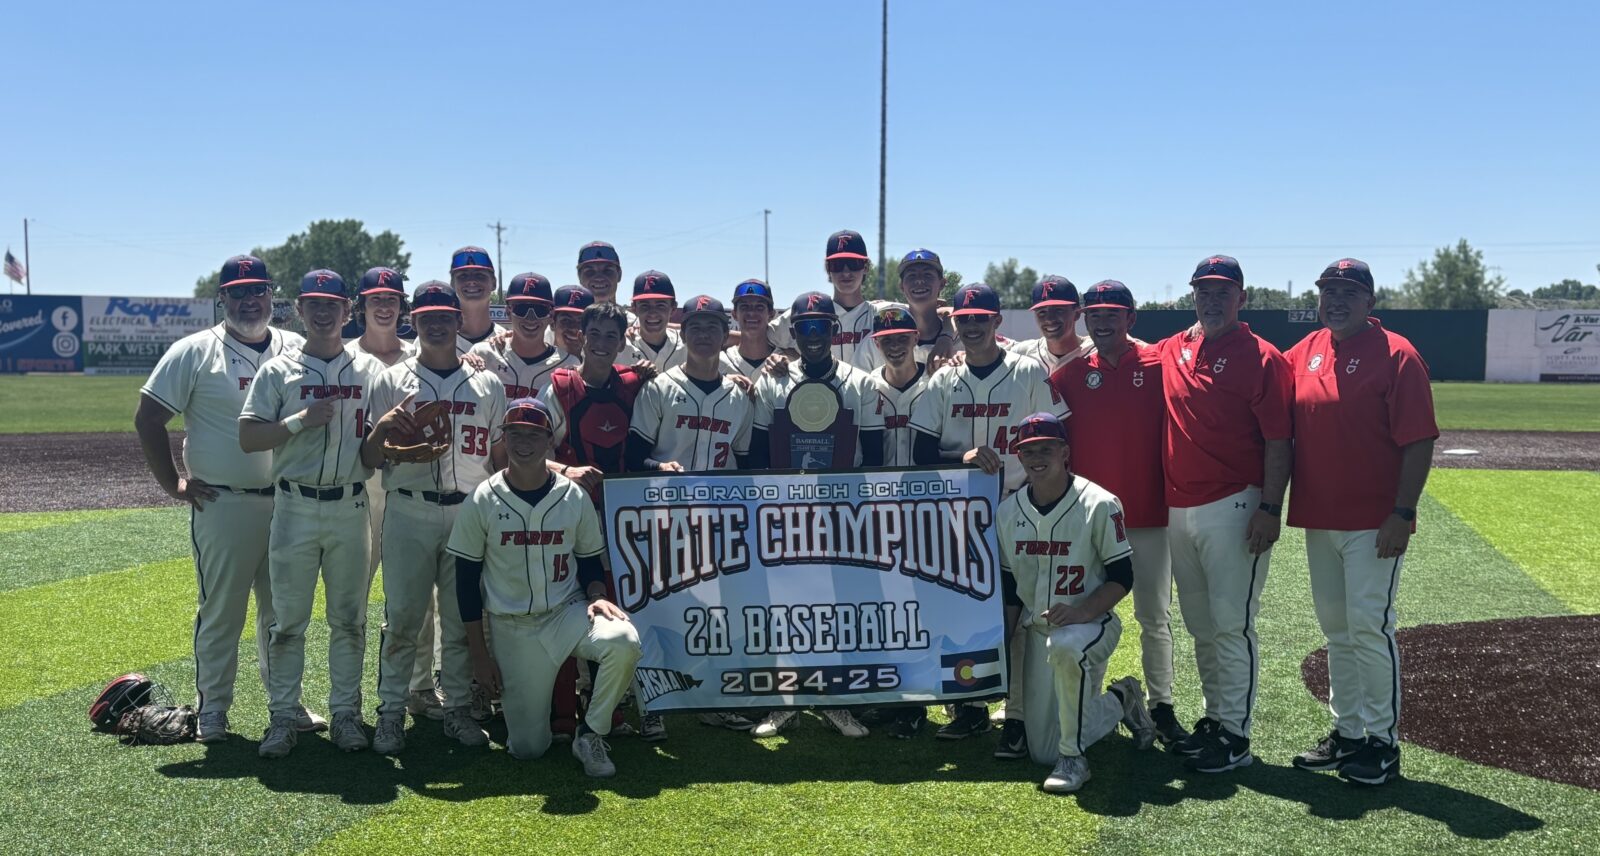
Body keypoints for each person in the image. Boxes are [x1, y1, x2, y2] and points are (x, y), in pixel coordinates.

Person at [135, 254, 322, 744]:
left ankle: (287, 704)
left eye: (257, 289)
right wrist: (173, 484)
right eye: (238, 292)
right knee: (222, 610)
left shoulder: (296, 346)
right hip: (225, 501)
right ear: (223, 298)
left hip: (288, 501)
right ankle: (213, 709)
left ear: (270, 293)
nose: (249, 299)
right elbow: (148, 418)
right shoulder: (194, 350)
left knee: (282, 612)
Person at [1285, 258, 1438, 786]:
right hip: (1318, 518)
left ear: (1370, 302)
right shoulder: (1305, 351)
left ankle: (1382, 742)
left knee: (1370, 628)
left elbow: (1419, 440)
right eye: (1329, 291)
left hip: (1375, 521)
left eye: (1349, 292)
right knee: (1337, 632)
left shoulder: (1398, 355)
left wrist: (1403, 512)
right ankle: (1348, 732)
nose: (1337, 300)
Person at [447, 398, 642, 776]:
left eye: (533, 435)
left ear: (548, 441)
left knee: (624, 640)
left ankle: (591, 733)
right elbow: (466, 581)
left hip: (566, 614)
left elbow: (589, 560)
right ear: (502, 439)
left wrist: (598, 596)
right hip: (512, 627)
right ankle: (544, 726)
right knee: (528, 749)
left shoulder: (573, 496)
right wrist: (479, 654)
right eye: (515, 434)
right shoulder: (483, 499)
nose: (523, 443)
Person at [909, 281, 1067, 745]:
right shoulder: (943, 380)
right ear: (954, 325)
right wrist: (959, 459)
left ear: (998, 322)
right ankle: (970, 707)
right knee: (964, 610)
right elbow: (920, 453)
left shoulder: (1028, 372)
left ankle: (1016, 714)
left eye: (982, 318)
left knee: (1020, 613)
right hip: (958, 515)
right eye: (965, 319)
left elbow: (1058, 442)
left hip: (1020, 505)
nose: (973, 326)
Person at [240, 270, 385, 757]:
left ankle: (346, 714)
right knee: (287, 620)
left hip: (350, 504)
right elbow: (249, 437)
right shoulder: (277, 370)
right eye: (313, 305)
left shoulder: (370, 372)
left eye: (333, 305)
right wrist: (301, 420)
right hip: (295, 505)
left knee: (349, 618)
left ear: (349, 312)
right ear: (298, 311)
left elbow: (380, 443)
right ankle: (283, 716)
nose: (323, 314)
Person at [1159, 255, 1293, 774]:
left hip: (1235, 503)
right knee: (1200, 624)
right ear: (1193, 294)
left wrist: (1269, 506)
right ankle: (1215, 719)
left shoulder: (1262, 357)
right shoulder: (1175, 346)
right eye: (1204, 291)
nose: (1212, 300)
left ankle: (1236, 733)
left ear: (1242, 297)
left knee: (1233, 625)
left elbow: (1280, 441)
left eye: (1222, 291)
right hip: (1180, 507)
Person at [361, 281, 508, 754]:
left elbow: (501, 456)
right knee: (404, 617)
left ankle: (459, 710)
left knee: (463, 617)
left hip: (467, 511)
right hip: (408, 506)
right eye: (427, 316)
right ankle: (388, 713)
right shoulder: (389, 379)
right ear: (414, 321)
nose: (437, 322)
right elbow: (367, 456)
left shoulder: (487, 382)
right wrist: (387, 434)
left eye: (445, 314)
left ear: (459, 320)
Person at [1048, 280, 1187, 749]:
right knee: (1083, 616)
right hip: (1089, 523)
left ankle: (1162, 704)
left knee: (1154, 616)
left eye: (1113, 313)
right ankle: (1089, 699)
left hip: (1148, 513)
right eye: (1095, 313)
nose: (1102, 321)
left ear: (1131, 318)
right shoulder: (1067, 376)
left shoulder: (1160, 363)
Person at [747, 291, 885, 739]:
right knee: (786, 608)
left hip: (843, 512)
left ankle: (836, 702)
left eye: (820, 326)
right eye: (804, 327)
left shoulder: (861, 383)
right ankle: (784, 703)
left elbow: (877, 457)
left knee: (837, 609)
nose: (813, 335)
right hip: (785, 512)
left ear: (833, 330)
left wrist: (859, 509)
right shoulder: (773, 381)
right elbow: (757, 457)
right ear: (793, 332)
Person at [997, 413, 1158, 792]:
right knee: (1040, 751)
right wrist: (1003, 641)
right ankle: (1123, 699)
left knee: (1067, 645)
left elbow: (1123, 577)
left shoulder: (1100, 503)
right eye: (1028, 450)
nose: (1037, 457)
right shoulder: (1007, 512)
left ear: (1065, 451)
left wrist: (1082, 611)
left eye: (1047, 448)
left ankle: (1074, 759)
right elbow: (1008, 585)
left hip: (1091, 624)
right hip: (1039, 630)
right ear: (1019, 458)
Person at [626, 295, 758, 733]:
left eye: (713, 328)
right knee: (657, 613)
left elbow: (746, 462)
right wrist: (656, 468)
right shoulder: (659, 388)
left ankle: (709, 698)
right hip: (660, 517)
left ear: (725, 336)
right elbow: (631, 457)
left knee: (712, 613)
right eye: (696, 327)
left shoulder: (739, 396)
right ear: (683, 333)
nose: (704, 335)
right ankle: (653, 705)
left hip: (716, 521)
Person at [539, 301, 654, 739]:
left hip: (619, 519)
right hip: (567, 514)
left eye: (612, 335)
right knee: (568, 606)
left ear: (623, 340)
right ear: (580, 336)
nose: (603, 343)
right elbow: (530, 451)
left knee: (611, 606)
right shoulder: (561, 387)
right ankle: (563, 711)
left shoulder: (634, 385)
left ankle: (609, 709)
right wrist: (567, 471)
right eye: (595, 334)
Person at [349, 268, 444, 723]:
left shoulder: (422, 351)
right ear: (361, 305)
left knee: (418, 599)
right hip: (360, 486)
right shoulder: (345, 355)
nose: (383, 306)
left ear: (404, 306)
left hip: (412, 486)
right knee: (353, 597)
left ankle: (418, 686)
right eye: (374, 298)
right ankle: (348, 696)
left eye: (391, 298)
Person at [770, 229, 890, 372]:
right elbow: (761, 338)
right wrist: (787, 357)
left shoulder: (884, 314)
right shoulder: (809, 313)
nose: (846, 272)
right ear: (828, 268)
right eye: (837, 265)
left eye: (854, 264)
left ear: (865, 267)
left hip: (872, 393)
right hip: (821, 393)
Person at [472, 273, 577, 399]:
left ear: (551, 316)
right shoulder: (483, 354)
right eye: (522, 309)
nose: (530, 317)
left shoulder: (569, 364)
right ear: (508, 312)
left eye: (540, 310)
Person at [868, 304, 928, 470]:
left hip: (928, 488)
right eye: (886, 340)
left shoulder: (935, 383)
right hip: (882, 489)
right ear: (876, 343)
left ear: (916, 338)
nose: (895, 346)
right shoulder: (868, 387)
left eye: (903, 338)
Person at [1010, 275, 1092, 374]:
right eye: (1042, 312)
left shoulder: (1096, 351)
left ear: (1077, 313)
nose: (1049, 319)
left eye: (1058, 310)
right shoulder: (1021, 354)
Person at [894, 248, 957, 368]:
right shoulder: (887, 337)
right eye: (911, 275)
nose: (919, 280)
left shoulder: (962, 338)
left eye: (928, 275)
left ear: (942, 284)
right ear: (901, 286)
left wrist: (947, 335)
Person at [620, 270, 686, 370]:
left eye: (660, 305)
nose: (652, 313)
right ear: (634, 308)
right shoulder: (620, 347)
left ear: (673, 308)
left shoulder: (687, 345)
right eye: (644, 305)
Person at [450, 245, 506, 354]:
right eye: (463, 276)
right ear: (452, 284)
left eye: (479, 275)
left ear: (494, 283)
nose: (471, 281)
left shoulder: (508, 342)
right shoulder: (433, 340)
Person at [720, 279, 777, 380]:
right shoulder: (720, 362)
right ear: (734, 314)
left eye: (759, 307)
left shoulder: (782, 360)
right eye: (744, 307)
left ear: (771, 314)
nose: (751, 313)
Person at [551, 284, 595, 359]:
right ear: (552, 323)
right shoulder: (536, 366)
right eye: (566, 320)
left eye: (581, 321)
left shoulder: (598, 368)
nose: (574, 328)